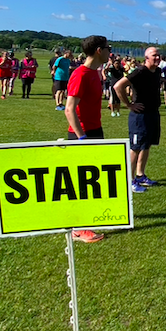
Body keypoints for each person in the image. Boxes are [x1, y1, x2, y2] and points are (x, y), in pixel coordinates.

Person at [63, 35, 111, 243]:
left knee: (92, 180)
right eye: (108, 48)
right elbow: (69, 109)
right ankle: (78, 229)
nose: (111, 51)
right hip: (82, 134)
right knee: (82, 181)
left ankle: (88, 220)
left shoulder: (95, 73)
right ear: (99, 50)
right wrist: (81, 137)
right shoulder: (80, 74)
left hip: (95, 130)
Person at [114, 46, 163, 193]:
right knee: (135, 148)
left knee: (146, 145)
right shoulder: (140, 71)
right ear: (147, 57)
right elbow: (118, 86)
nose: (158, 58)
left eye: (159, 55)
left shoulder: (158, 71)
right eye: (154, 55)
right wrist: (129, 105)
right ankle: (130, 180)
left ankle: (140, 175)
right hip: (139, 116)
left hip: (153, 114)